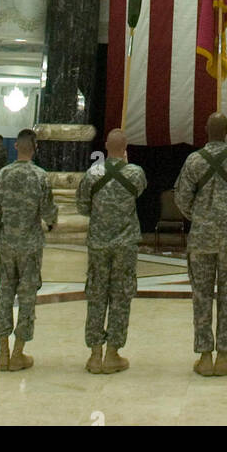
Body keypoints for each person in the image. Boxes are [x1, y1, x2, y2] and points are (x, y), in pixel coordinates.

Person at [174, 112, 227, 377]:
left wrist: (199, 217)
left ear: (205, 129)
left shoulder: (194, 160)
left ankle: (205, 356)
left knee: (201, 296)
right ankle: (225, 355)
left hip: (201, 238)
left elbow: (182, 197)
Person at [76, 128, 147, 375]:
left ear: (105, 145)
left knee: (96, 295)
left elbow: (83, 207)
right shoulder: (135, 173)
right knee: (120, 297)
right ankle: (113, 353)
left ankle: (95, 354)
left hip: (98, 243)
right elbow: (139, 192)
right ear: (126, 147)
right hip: (124, 244)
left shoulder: (93, 173)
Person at [0, 128, 57, 372]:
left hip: (6, 244)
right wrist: (51, 223)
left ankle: (2, 354)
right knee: (27, 297)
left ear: (15, 146)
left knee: (5, 294)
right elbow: (49, 212)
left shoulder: (3, 175)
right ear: (35, 148)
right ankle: (19, 353)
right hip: (30, 245)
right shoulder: (40, 176)